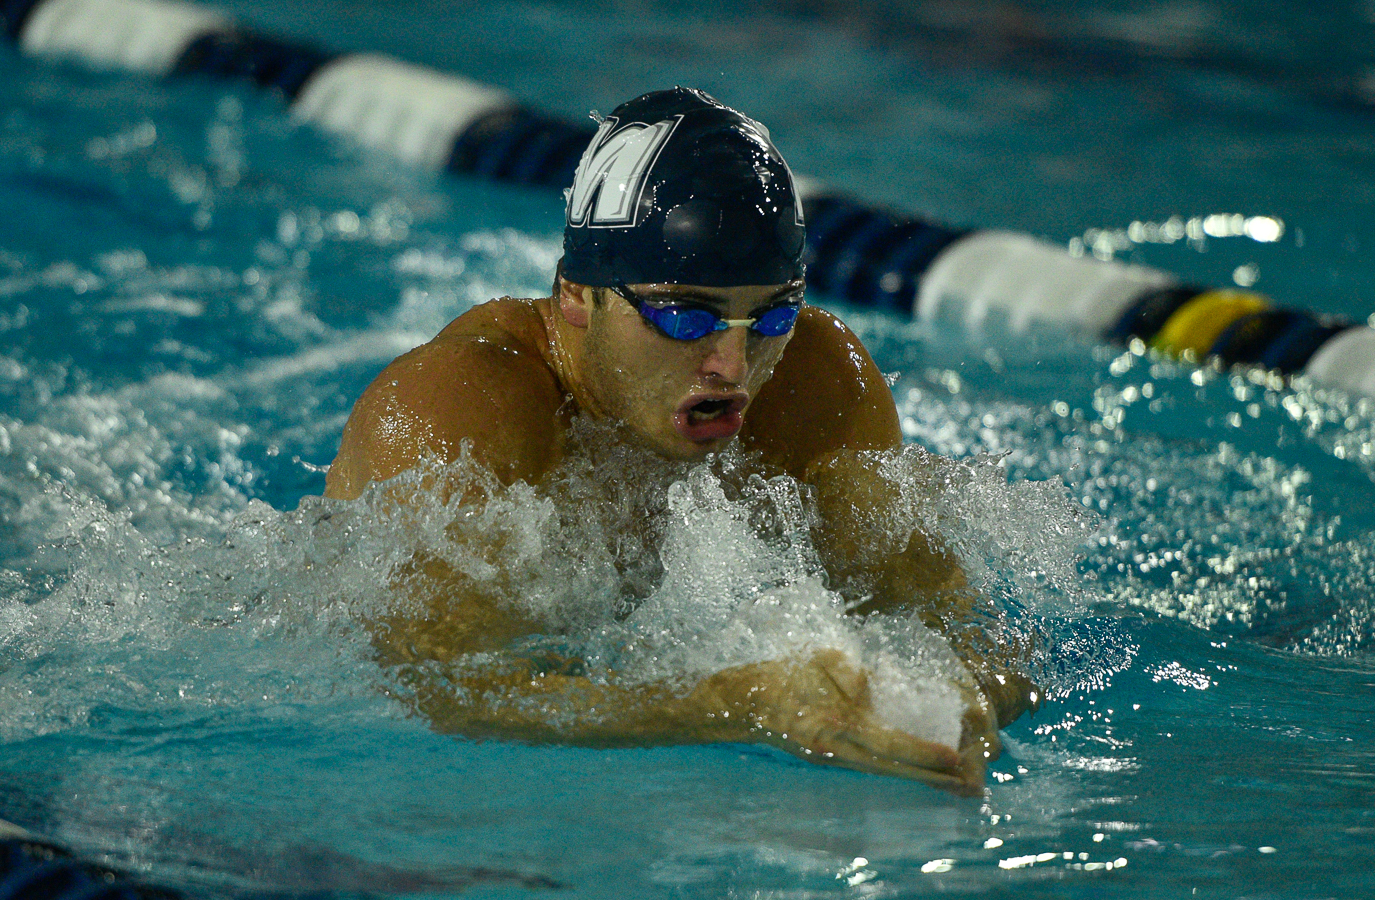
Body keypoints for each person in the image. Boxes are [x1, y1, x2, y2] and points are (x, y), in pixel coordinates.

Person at [324, 88, 1036, 794]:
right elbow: (448, 687)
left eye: (769, 316)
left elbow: (959, 620)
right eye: (684, 319)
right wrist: (734, 705)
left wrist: (969, 693)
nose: (732, 367)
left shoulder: (819, 383)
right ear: (577, 293)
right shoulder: (463, 407)